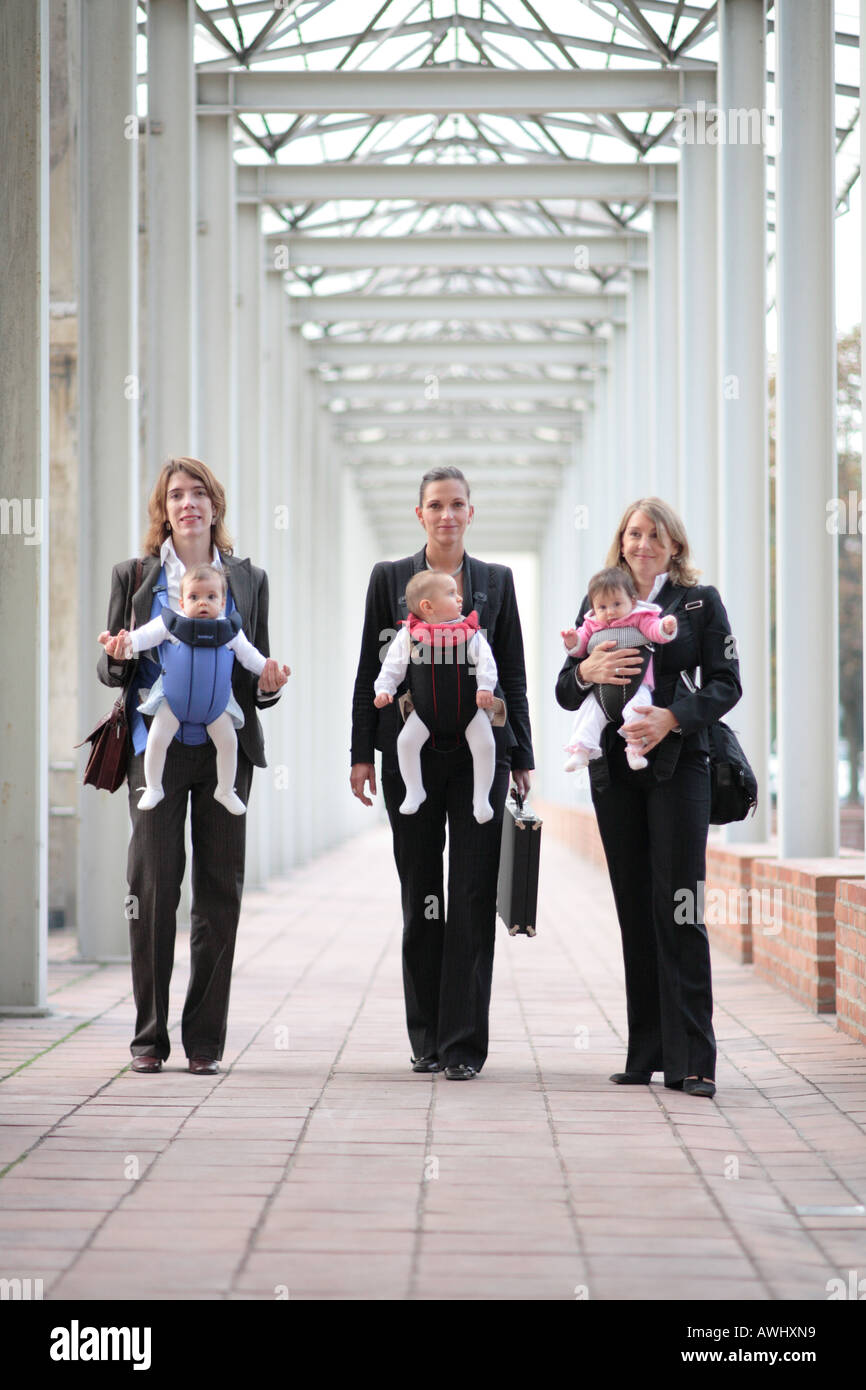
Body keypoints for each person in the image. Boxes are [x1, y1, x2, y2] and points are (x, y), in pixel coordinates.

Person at [97, 457, 288, 1076]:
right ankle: (149, 1039)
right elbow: (111, 669)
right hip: (155, 744)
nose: (188, 504)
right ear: (164, 508)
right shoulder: (134, 575)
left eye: (198, 492)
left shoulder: (249, 577)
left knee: (219, 891)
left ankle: (204, 1041)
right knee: (152, 886)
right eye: (176, 494)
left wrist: (273, 683)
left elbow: (256, 663)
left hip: (225, 747)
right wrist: (120, 655)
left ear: (215, 504)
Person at [351, 466, 534, 1080]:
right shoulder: (389, 581)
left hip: (482, 755)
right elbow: (368, 673)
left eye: (458, 504)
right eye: (436, 505)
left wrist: (524, 757)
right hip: (413, 756)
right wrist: (359, 754)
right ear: (420, 514)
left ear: (470, 513)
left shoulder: (497, 584)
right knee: (422, 892)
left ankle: (463, 1046)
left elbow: (512, 674)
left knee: (473, 894)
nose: (447, 514)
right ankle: (425, 1038)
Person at [555, 499, 741, 1099]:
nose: (642, 544)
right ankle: (647, 1052)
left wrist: (672, 718)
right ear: (621, 540)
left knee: (679, 902)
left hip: (680, 764)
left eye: (654, 535)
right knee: (635, 904)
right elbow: (564, 687)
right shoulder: (599, 601)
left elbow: (725, 683)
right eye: (633, 533)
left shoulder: (698, 602)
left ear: (674, 545)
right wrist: (590, 672)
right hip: (614, 771)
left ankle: (695, 1059)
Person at [99, 562, 288, 815]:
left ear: (222, 603)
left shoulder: (231, 631)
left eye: (211, 597)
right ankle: (154, 786)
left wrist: (271, 670)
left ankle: (225, 789)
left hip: (216, 708)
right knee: (157, 738)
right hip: (172, 704)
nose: (202, 603)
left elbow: (251, 657)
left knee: (229, 741)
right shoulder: (170, 624)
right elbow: (141, 637)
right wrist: (120, 642)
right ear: (182, 602)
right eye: (194, 597)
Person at [373, 569, 498, 822]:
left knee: (485, 745)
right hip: (425, 711)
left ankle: (481, 797)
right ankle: (414, 790)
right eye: (451, 593)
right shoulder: (407, 636)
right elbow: (391, 667)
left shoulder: (470, 632)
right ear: (427, 606)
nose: (460, 597)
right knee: (405, 742)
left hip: (468, 711)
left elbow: (487, 662)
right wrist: (383, 689)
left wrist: (485, 687)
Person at [561, 565, 677, 772]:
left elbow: (654, 631)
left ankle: (634, 748)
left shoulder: (639, 617)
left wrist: (665, 628)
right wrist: (572, 641)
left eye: (616, 604)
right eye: (602, 607)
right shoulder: (592, 624)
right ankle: (580, 750)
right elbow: (580, 649)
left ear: (632, 601)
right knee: (588, 714)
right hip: (601, 690)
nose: (610, 612)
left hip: (638, 684)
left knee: (638, 710)